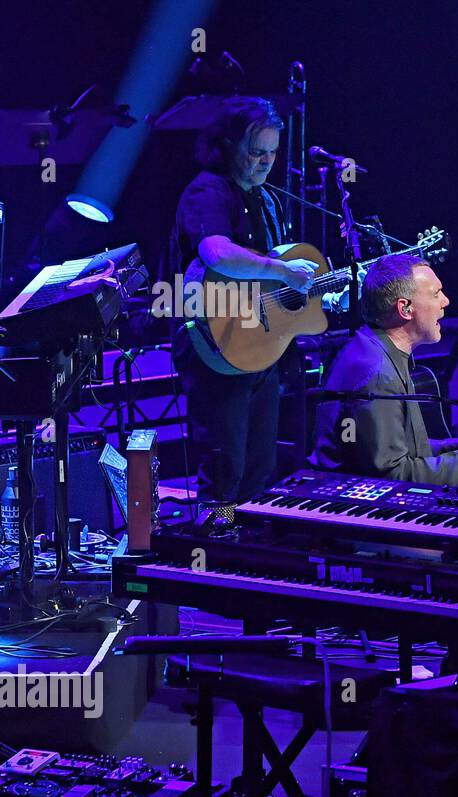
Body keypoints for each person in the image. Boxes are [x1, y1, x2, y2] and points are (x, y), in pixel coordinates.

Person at [165, 96, 319, 503]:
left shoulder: (265, 200)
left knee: (259, 465)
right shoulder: (207, 191)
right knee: (224, 464)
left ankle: (249, 538)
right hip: (215, 346)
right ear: (228, 145)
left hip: (257, 346)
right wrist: (285, 271)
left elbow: (262, 284)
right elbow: (216, 252)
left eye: (272, 152)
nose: (266, 162)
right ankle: (217, 542)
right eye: (256, 152)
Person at [311, 253, 458, 483]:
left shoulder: (377, 349)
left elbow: (404, 449)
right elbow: (393, 475)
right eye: (436, 294)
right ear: (405, 309)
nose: (446, 302)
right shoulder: (378, 374)